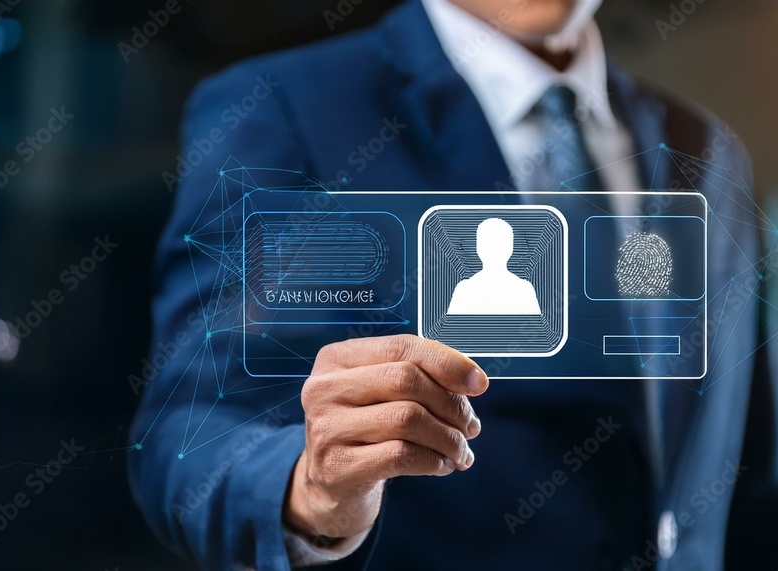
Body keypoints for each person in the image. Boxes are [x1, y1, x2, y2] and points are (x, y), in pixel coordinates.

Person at [129, 0, 778, 569]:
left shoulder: (708, 151)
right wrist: (312, 493)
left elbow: (743, 461)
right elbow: (189, 432)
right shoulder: (290, 109)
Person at [446, 218, 542, 315]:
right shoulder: (464, 290)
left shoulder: (524, 290)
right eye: (489, 242)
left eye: (499, 242)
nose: (494, 248)